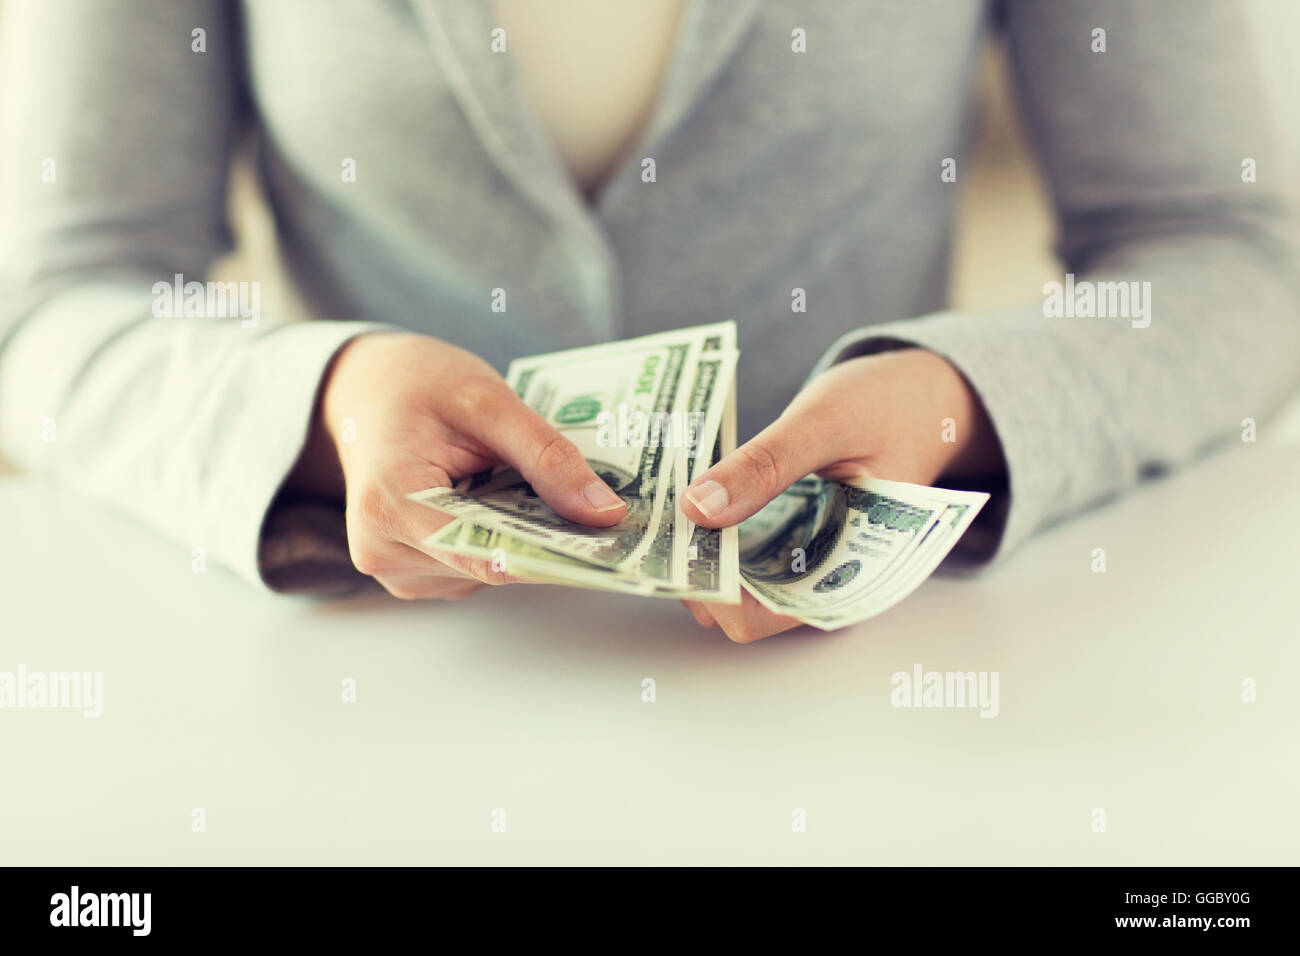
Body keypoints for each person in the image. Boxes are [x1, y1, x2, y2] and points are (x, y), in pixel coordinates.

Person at [1, 1, 1296, 643]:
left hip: (874, 710)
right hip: (373, 708)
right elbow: (57, 300)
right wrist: (318, 411)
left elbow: (1231, 253)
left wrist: (960, 405)